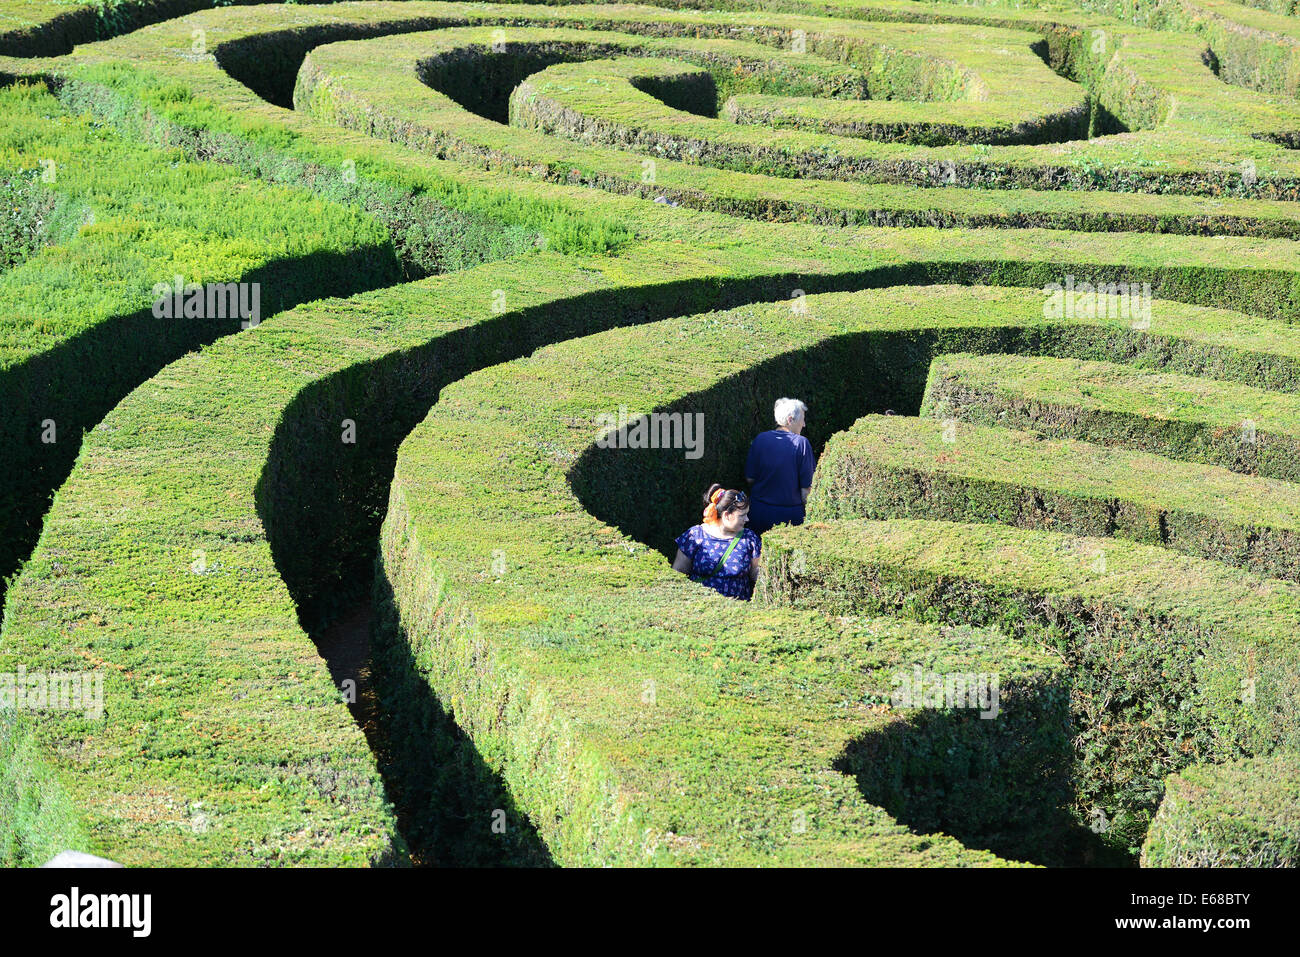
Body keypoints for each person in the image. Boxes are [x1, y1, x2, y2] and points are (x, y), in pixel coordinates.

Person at [671, 485, 762, 600]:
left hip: (739, 611)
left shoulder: (750, 538)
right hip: (701, 608)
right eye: (742, 515)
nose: (747, 519)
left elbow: (756, 574)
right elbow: (678, 573)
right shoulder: (694, 536)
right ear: (727, 515)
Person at [744, 397, 815, 536]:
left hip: (758, 511)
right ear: (790, 420)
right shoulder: (801, 443)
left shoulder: (760, 439)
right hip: (789, 516)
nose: (804, 424)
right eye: (803, 420)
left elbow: (750, 478)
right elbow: (806, 489)